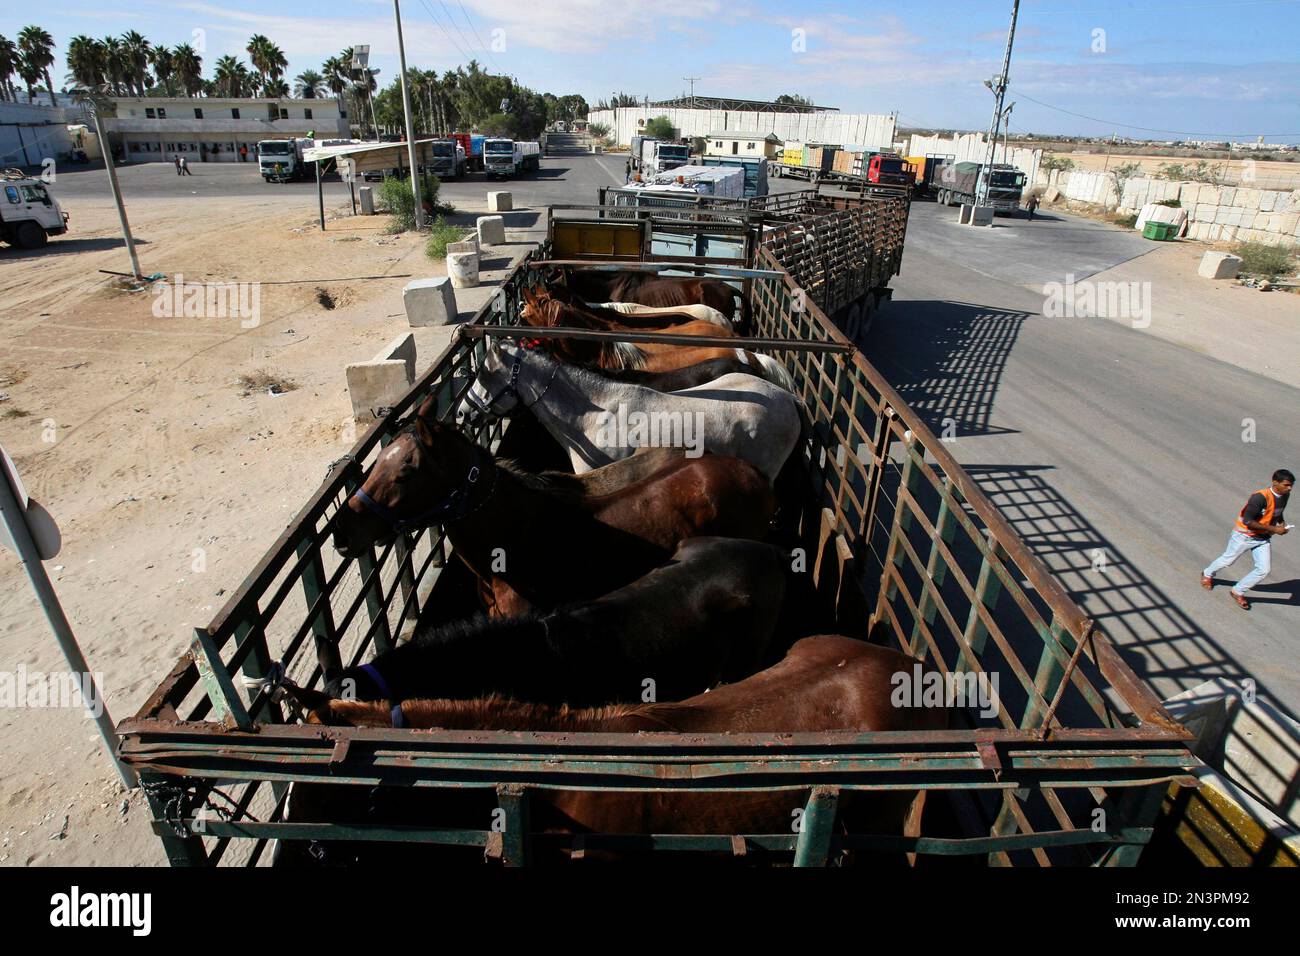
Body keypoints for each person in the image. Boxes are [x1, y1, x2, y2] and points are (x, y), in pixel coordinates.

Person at [1202, 469, 1293, 609]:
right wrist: (1275, 529)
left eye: (1291, 485)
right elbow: (1248, 521)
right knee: (1228, 560)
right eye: (1286, 485)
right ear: (1275, 482)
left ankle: (1237, 591)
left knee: (1263, 570)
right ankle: (1207, 574)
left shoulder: (1285, 496)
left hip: (1263, 538)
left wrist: (1281, 523)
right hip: (1244, 536)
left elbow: (1277, 512)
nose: (1289, 488)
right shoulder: (1259, 498)